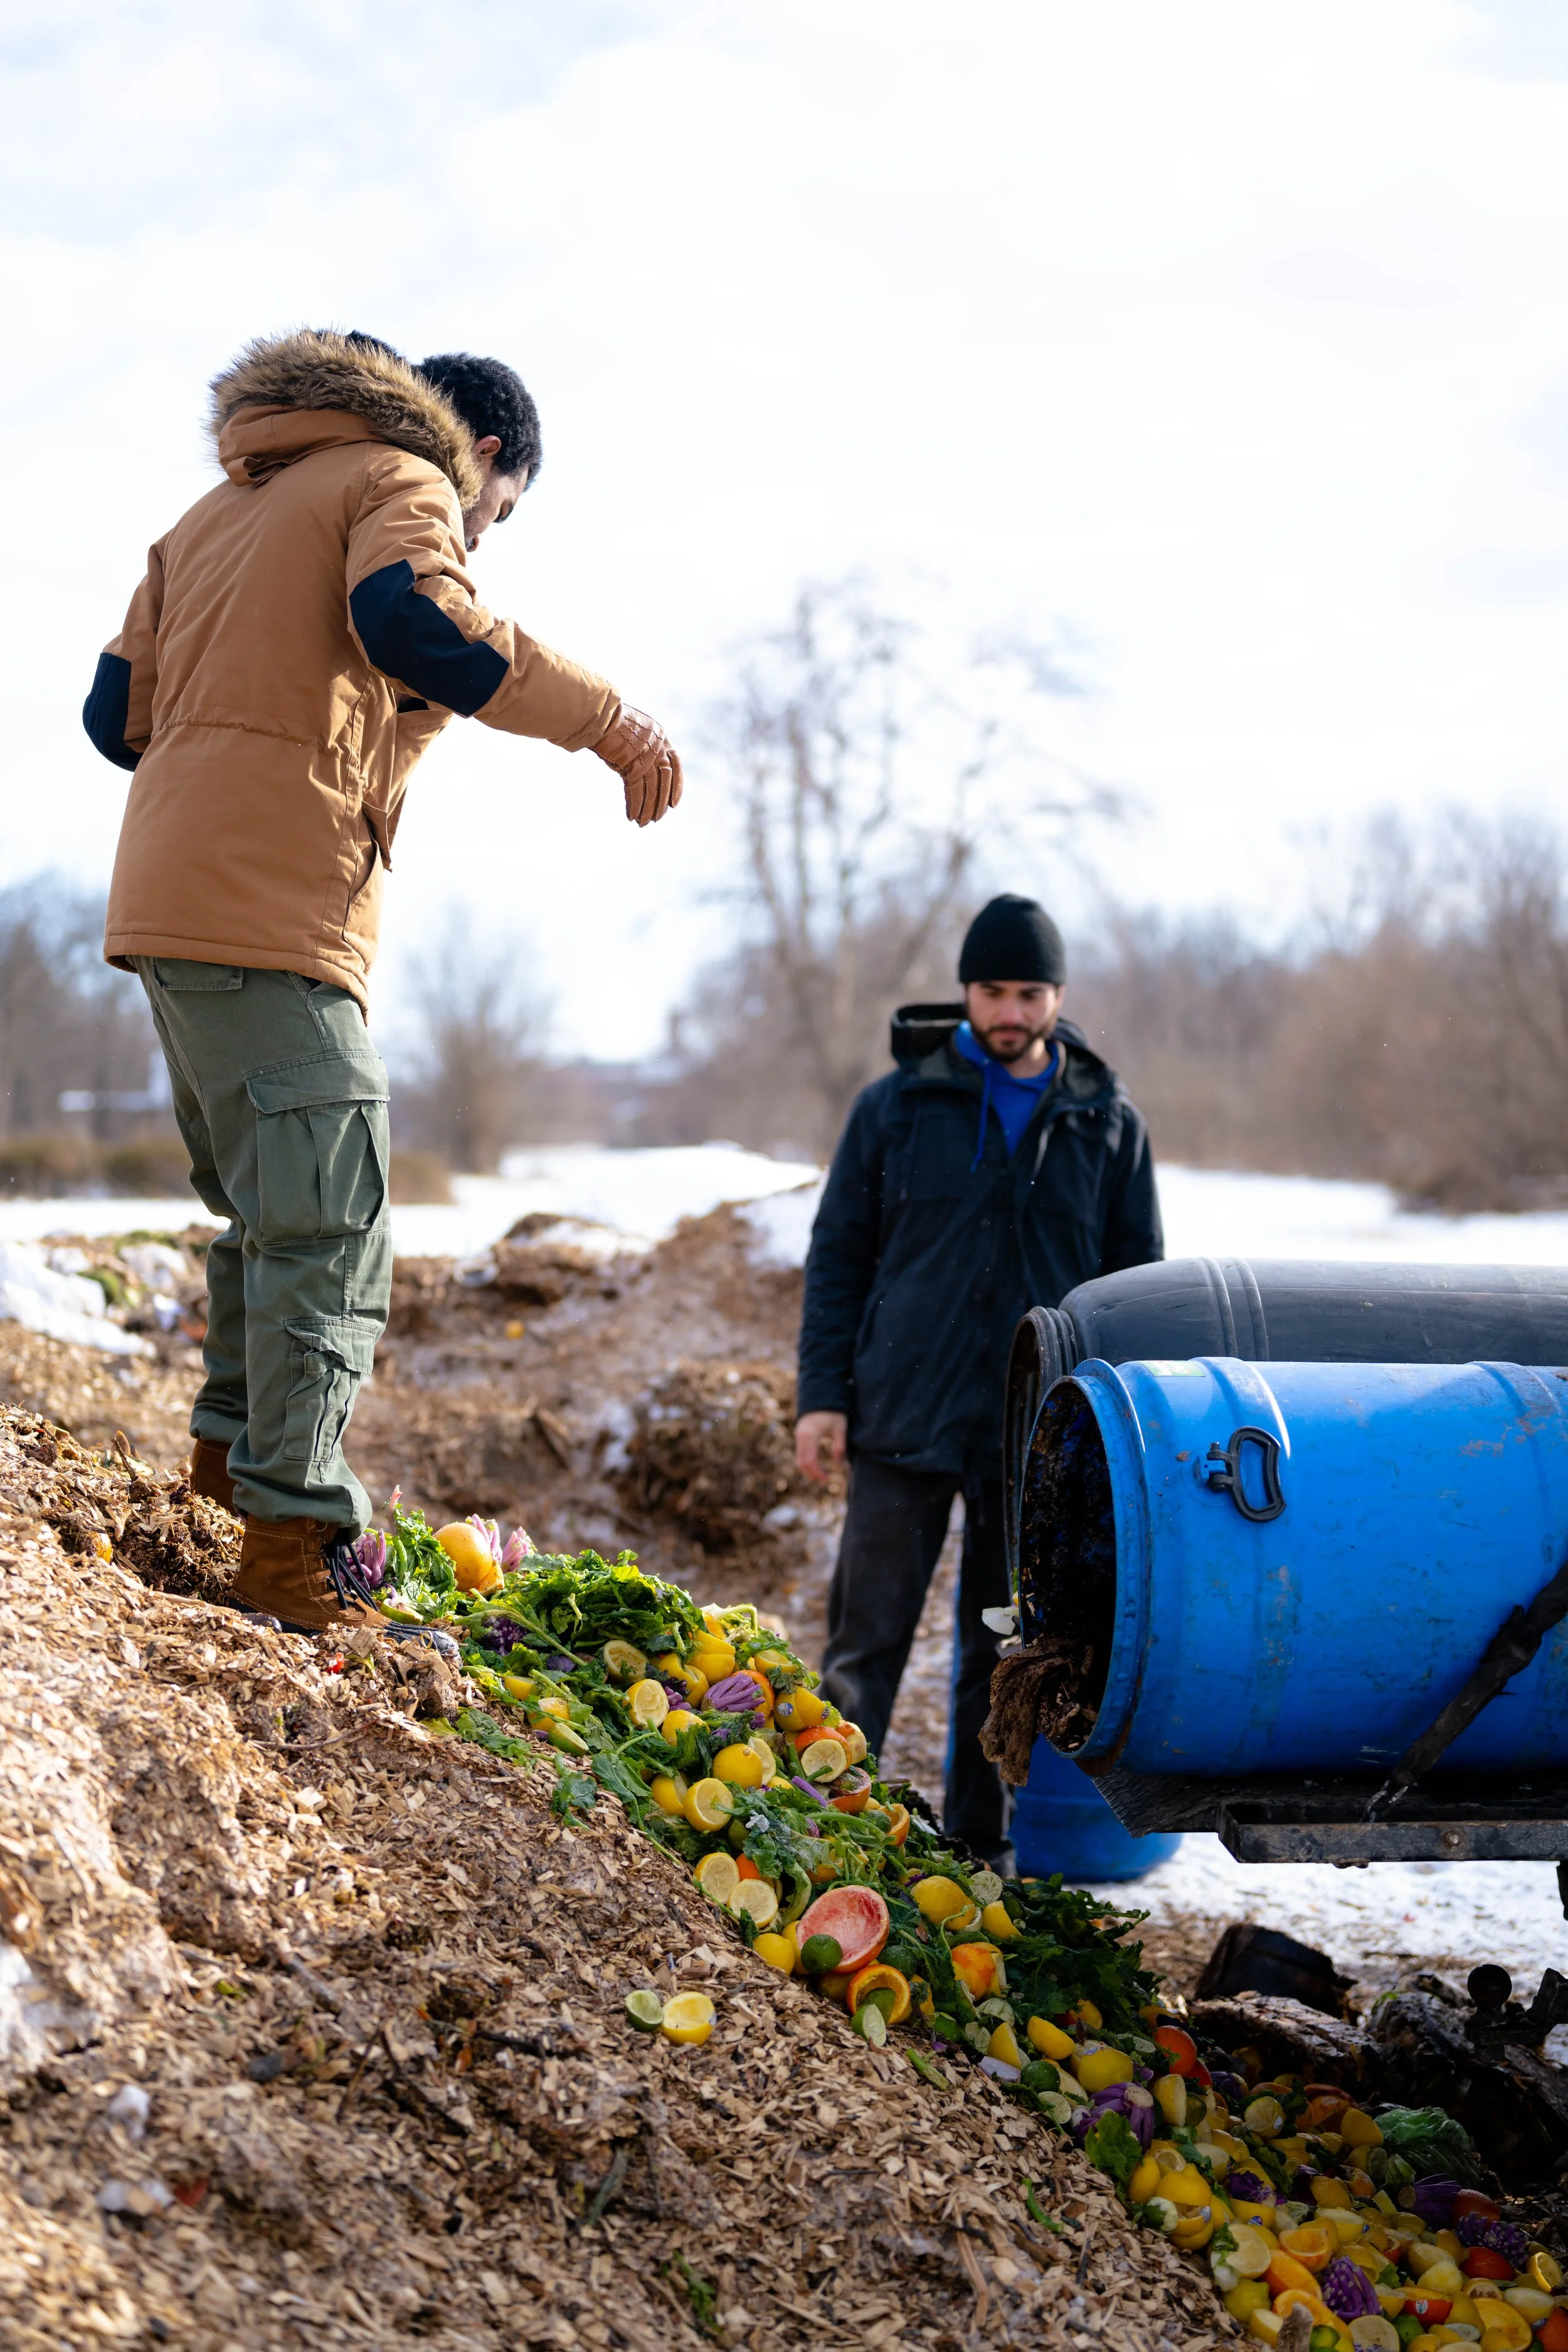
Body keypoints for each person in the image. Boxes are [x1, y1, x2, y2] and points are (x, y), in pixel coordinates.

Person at [83, 327, 682, 1636]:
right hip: (271, 910)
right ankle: (293, 1540)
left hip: (166, 906)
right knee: (336, 1227)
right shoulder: (400, 480)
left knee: (265, 1213)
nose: (483, 534)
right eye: (498, 511)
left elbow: (111, 718)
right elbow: (416, 616)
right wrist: (607, 720)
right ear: (480, 455)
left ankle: (224, 1481)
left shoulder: (213, 509)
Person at [793, 893, 1162, 1868]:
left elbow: (1140, 1291)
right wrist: (821, 1396)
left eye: (1029, 992)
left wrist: (1123, 1445)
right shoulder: (895, 1108)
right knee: (865, 1639)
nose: (1010, 1011)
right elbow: (838, 1261)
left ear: (1058, 995)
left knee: (1002, 1657)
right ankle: (826, 1827)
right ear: (966, 993)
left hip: (1039, 1437)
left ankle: (975, 1848)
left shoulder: (1107, 1124)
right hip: (902, 1410)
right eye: (993, 991)